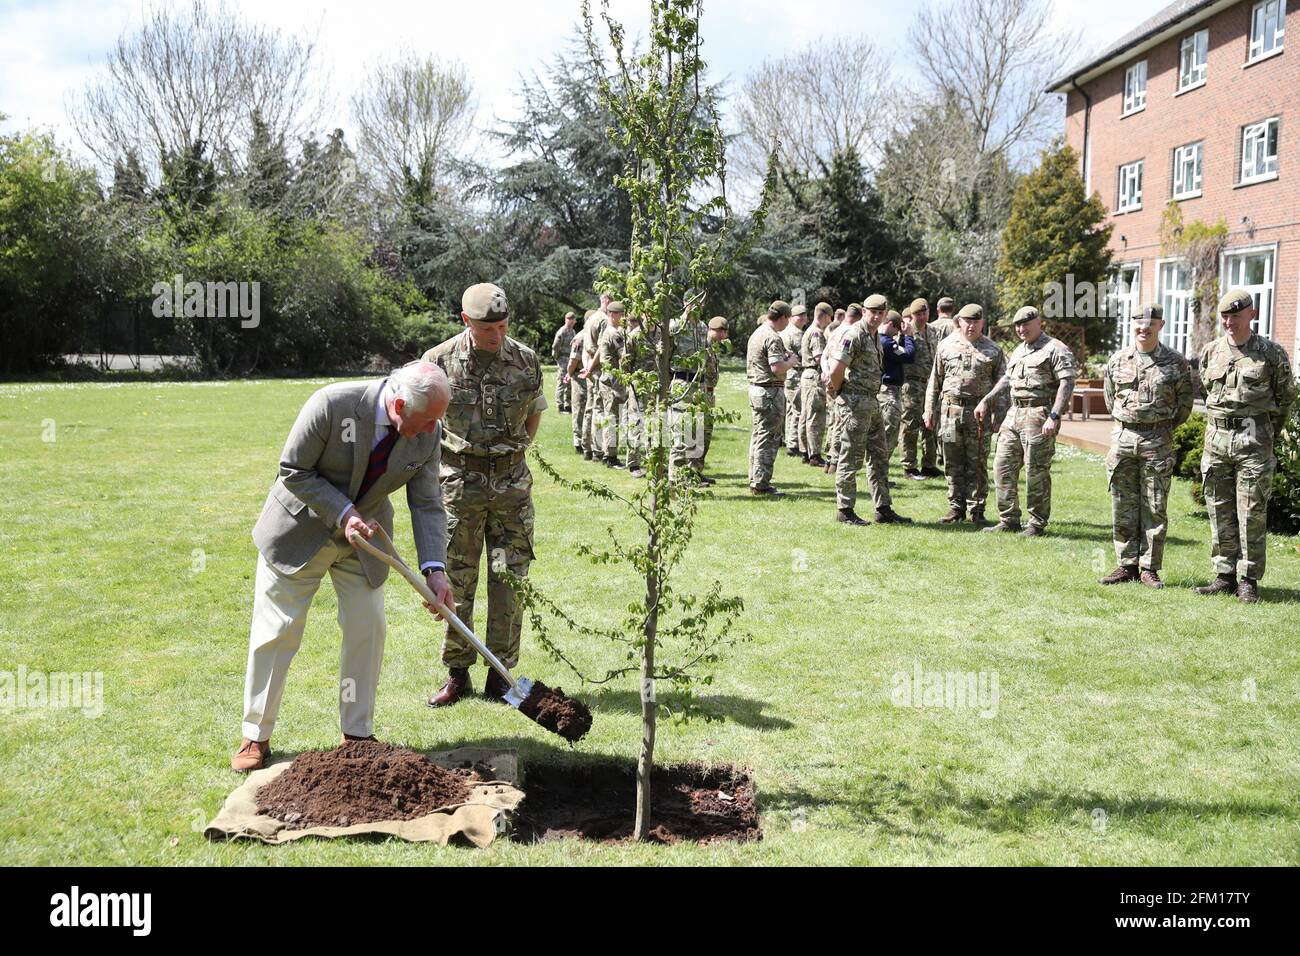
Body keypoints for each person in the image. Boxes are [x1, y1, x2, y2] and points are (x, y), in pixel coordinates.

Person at [233, 362, 455, 771]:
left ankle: (356, 734)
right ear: (399, 404)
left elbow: (426, 502)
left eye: (435, 422)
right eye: (425, 421)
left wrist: (435, 570)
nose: (430, 431)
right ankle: (256, 735)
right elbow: (293, 471)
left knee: (367, 627)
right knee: (278, 631)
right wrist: (343, 512)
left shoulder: (429, 429)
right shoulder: (332, 404)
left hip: (365, 541)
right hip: (300, 531)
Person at [422, 283, 546, 707]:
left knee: (508, 579)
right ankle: (458, 674)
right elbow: (426, 425)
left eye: (503, 325)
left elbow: (533, 417)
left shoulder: (526, 360)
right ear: (466, 322)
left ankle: (501, 673)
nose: (497, 334)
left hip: (512, 489)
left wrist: (512, 456)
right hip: (460, 486)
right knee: (458, 579)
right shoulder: (437, 362)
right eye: (487, 327)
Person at [1193, 288, 1297, 603]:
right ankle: (1224, 575)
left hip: (1254, 443)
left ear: (1251, 314)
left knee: (1251, 511)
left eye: (1235, 315)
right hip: (1217, 443)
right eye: (1225, 316)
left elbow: (1286, 398)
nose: (1229, 321)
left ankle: (1248, 578)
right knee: (1219, 509)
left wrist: (1266, 434)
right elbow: (1207, 390)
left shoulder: (1271, 353)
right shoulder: (1210, 352)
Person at [1098, 305, 1193, 590]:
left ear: (1161, 324)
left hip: (1157, 441)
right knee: (1122, 504)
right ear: (1133, 325)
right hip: (1123, 440)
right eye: (1139, 323)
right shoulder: (1117, 360)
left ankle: (1149, 568)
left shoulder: (1176, 362)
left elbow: (1184, 405)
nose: (1144, 328)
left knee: (1155, 505)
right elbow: (1109, 398)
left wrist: (1158, 427)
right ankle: (1126, 564)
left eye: (1150, 324)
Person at [978, 306, 1077, 536]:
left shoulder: (1055, 348)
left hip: (1039, 414)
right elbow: (1007, 379)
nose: (1021, 329)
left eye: (1025, 324)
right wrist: (987, 399)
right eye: (1018, 325)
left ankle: (1036, 523)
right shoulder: (1020, 350)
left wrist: (1054, 415)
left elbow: (1067, 382)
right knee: (1001, 466)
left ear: (1038, 322)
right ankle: (1008, 519)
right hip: (1014, 413)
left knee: (1036, 470)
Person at [826, 293, 912, 525]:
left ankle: (883, 508)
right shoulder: (854, 335)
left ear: (885, 315)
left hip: (872, 402)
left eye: (880, 313)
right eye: (871, 312)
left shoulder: (875, 337)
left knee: (879, 457)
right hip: (854, 403)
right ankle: (845, 510)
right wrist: (839, 394)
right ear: (864, 312)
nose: (875, 316)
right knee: (850, 457)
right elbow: (836, 370)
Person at [926, 303, 1005, 526]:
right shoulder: (945, 346)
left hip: (978, 415)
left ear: (982, 323)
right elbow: (935, 381)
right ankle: (956, 507)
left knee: (977, 461)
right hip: (950, 412)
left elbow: (1002, 384)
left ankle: (977, 509)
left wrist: (1000, 414)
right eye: (967, 321)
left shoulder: (993, 350)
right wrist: (929, 410)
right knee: (952, 460)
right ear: (959, 321)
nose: (971, 326)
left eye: (975, 322)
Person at [746, 300, 796, 495]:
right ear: (783, 317)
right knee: (768, 439)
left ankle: (755, 479)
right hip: (769, 392)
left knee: (758, 437)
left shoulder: (758, 333)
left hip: (758, 390)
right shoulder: (772, 337)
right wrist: (790, 361)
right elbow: (776, 367)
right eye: (788, 319)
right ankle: (761, 484)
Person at [899, 297, 944, 479]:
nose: (922, 317)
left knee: (930, 424)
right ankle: (909, 466)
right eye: (918, 314)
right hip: (912, 384)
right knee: (910, 425)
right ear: (912, 315)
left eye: (924, 313)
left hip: (930, 384)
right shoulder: (906, 332)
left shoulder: (933, 331)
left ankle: (929, 464)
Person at [668, 299, 712, 483]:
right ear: (685, 302)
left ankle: (693, 473)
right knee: (680, 429)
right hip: (681, 381)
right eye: (693, 302)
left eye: (700, 303)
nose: (697, 306)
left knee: (697, 431)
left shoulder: (702, 327)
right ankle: (676, 476)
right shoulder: (675, 326)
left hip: (699, 384)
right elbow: (666, 355)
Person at [821, 304, 862, 474]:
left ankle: (830, 460)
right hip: (840, 382)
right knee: (840, 422)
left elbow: (824, 356)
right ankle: (834, 461)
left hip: (830, 379)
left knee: (834, 421)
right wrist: (834, 378)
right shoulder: (850, 333)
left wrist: (826, 372)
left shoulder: (835, 331)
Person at [877, 308, 915, 466]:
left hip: (886, 389)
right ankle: (879, 472)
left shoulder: (880, 339)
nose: (897, 334)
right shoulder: (885, 341)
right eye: (897, 330)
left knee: (887, 433)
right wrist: (909, 337)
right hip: (889, 392)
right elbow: (908, 355)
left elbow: (898, 355)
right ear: (891, 325)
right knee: (889, 433)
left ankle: (880, 472)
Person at [621, 312, 656, 478]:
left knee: (655, 423)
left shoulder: (664, 335)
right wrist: (632, 382)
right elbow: (626, 363)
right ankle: (633, 463)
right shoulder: (634, 336)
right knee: (636, 422)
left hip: (657, 385)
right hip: (639, 384)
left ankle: (653, 460)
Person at [577, 295, 612, 459]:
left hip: (590, 365)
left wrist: (586, 366)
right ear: (606, 301)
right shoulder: (604, 320)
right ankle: (598, 450)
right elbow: (601, 348)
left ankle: (587, 448)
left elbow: (585, 348)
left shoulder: (590, 319)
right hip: (598, 368)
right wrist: (591, 368)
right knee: (599, 409)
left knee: (590, 409)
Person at [594, 301, 628, 468]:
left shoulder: (608, 331)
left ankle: (606, 453)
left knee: (609, 417)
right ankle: (610, 457)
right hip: (611, 381)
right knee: (612, 418)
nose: (623, 318)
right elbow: (625, 356)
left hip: (608, 379)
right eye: (621, 314)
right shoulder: (613, 333)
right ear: (613, 315)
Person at [799, 302, 833, 467]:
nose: (830, 321)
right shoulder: (817, 334)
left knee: (806, 415)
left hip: (807, 374)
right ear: (824, 315)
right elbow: (820, 358)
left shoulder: (808, 331)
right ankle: (814, 455)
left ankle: (805, 451)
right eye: (829, 317)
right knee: (816, 416)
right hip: (814, 375)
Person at [701, 315, 730, 469]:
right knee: (699, 432)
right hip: (701, 393)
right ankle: (692, 469)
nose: (723, 336)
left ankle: (698, 469)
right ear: (712, 330)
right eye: (720, 332)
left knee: (707, 433)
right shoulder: (703, 346)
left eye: (724, 333)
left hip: (710, 394)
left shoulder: (714, 347)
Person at [782, 305, 809, 459]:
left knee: (791, 409)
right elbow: (802, 354)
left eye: (805, 315)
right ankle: (794, 444)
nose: (803, 318)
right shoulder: (797, 334)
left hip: (788, 373)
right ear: (792, 317)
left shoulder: (784, 331)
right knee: (798, 409)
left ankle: (790, 440)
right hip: (796, 373)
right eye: (800, 316)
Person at [567, 311, 593, 456]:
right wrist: (569, 373)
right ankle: (578, 442)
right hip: (579, 377)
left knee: (589, 410)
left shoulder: (591, 336)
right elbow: (573, 361)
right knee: (579, 409)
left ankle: (588, 441)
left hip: (589, 376)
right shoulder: (580, 337)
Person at [551, 312, 576, 412]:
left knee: (568, 382)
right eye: (573, 320)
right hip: (562, 360)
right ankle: (559, 404)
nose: (575, 322)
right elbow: (555, 346)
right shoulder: (562, 331)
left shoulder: (572, 331)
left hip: (569, 359)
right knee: (561, 382)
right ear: (568, 320)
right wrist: (557, 358)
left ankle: (567, 404)